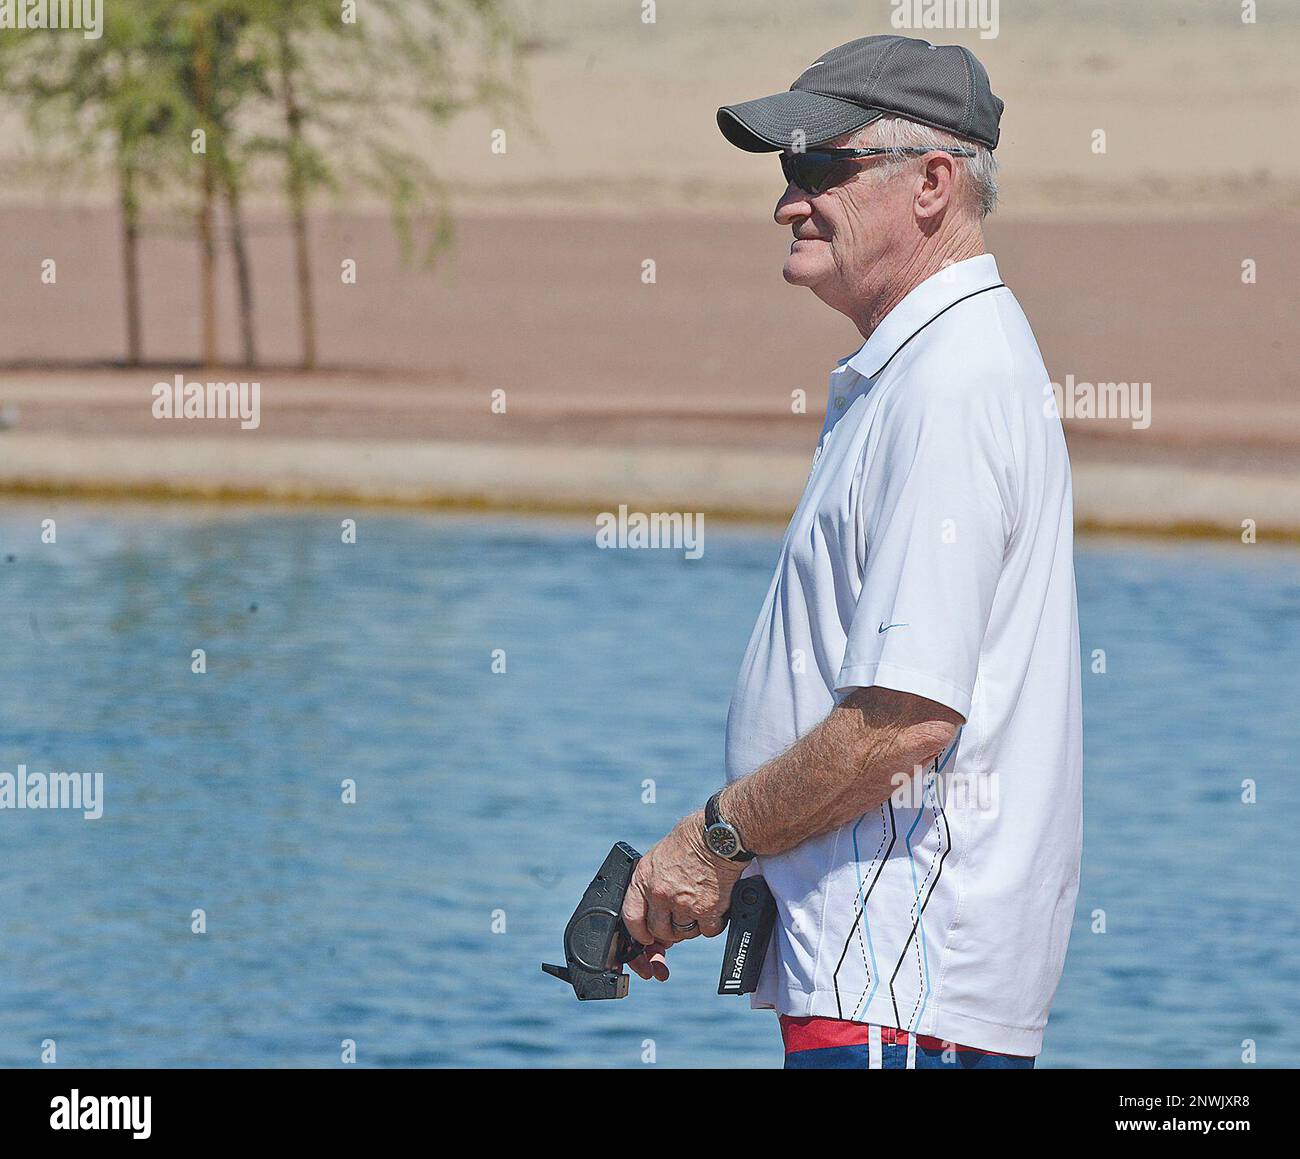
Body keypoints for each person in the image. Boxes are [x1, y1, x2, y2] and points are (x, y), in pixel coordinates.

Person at [621, 34, 1082, 1070]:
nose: (789, 201)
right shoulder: (922, 367)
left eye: (818, 168)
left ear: (932, 183)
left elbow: (903, 722)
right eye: (787, 171)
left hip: (900, 992)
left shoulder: (949, 385)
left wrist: (713, 841)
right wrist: (743, 860)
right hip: (883, 985)